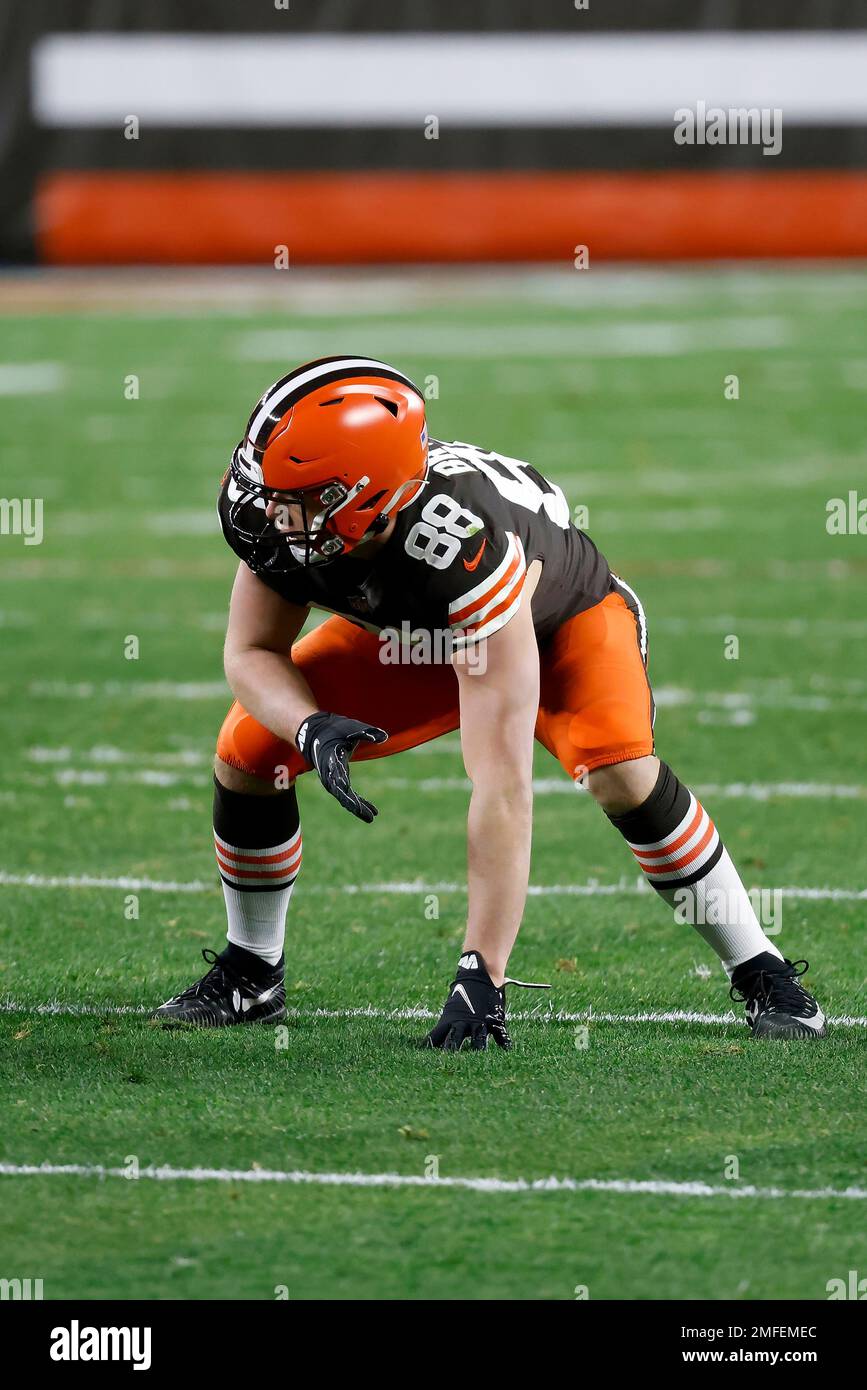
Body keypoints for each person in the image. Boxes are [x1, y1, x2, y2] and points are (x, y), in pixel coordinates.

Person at [153, 356, 826, 1045]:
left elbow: (500, 785)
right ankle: (252, 972)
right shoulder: (294, 520)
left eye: (297, 496)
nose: (268, 509)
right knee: (250, 748)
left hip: (552, 621)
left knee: (618, 768)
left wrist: (482, 974)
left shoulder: (460, 549)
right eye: (267, 484)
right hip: (412, 634)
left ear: (364, 498)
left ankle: (760, 968)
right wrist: (309, 727)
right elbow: (252, 652)